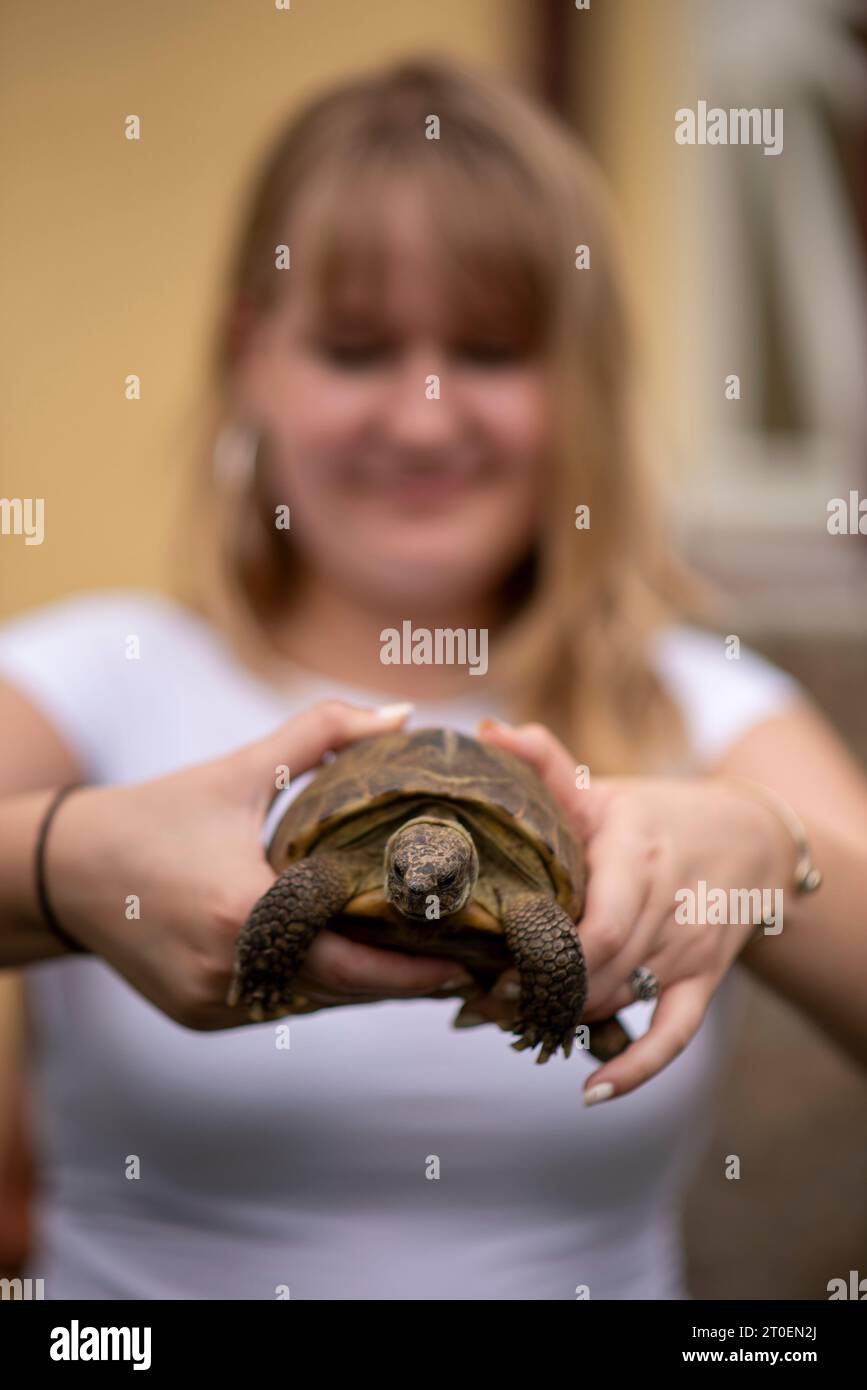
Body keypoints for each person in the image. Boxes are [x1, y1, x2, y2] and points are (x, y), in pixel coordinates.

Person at [1, 59, 865, 1302]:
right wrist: (63, 869)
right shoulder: (90, 672)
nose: (421, 416)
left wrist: (770, 850)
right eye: (356, 349)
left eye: (492, 350)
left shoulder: (698, 702)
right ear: (253, 355)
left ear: (581, 381)